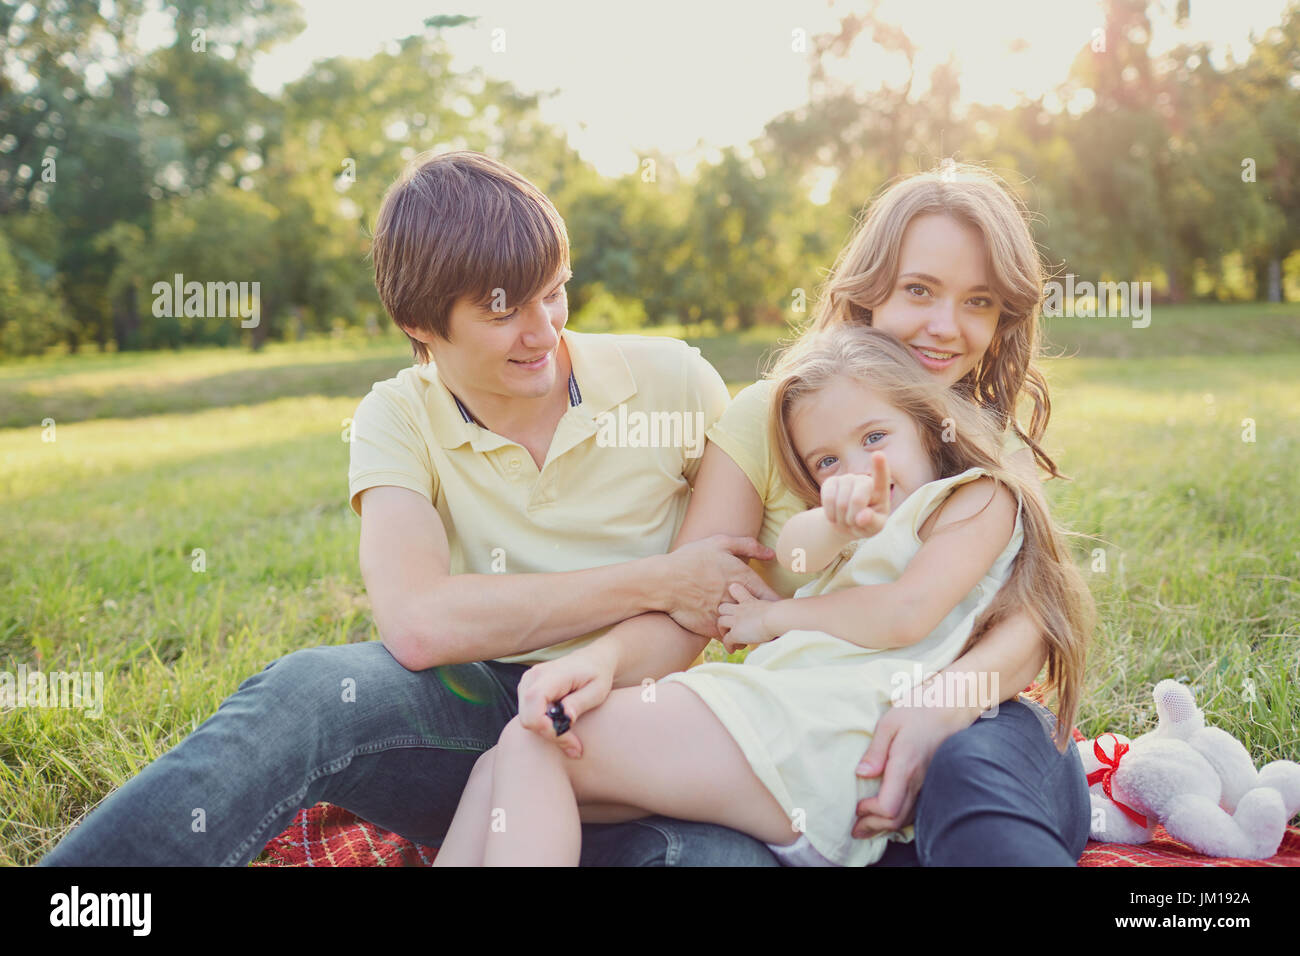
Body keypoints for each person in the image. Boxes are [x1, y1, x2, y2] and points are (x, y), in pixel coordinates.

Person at [39, 150, 784, 867]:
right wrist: (655, 581)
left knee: (717, 858)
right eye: (502, 312)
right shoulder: (395, 415)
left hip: (643, 723)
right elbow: (421, 624)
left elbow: (710, 594)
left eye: (554, 290)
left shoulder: (673, 381)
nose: (544, 329)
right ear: (421, 324)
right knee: (308, 696)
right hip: (472, 712)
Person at [501, 163, 1095, 866]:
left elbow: (1032, 613)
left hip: (974, 714)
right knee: (531, 769)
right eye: (918, 290)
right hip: (816, 728)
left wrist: (942, 705)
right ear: (868, 293)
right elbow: (702, 599)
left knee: (977, 794)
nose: (945, 328)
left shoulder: (976, 434)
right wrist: (604, 659)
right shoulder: (779, 414)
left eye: (980, 302)